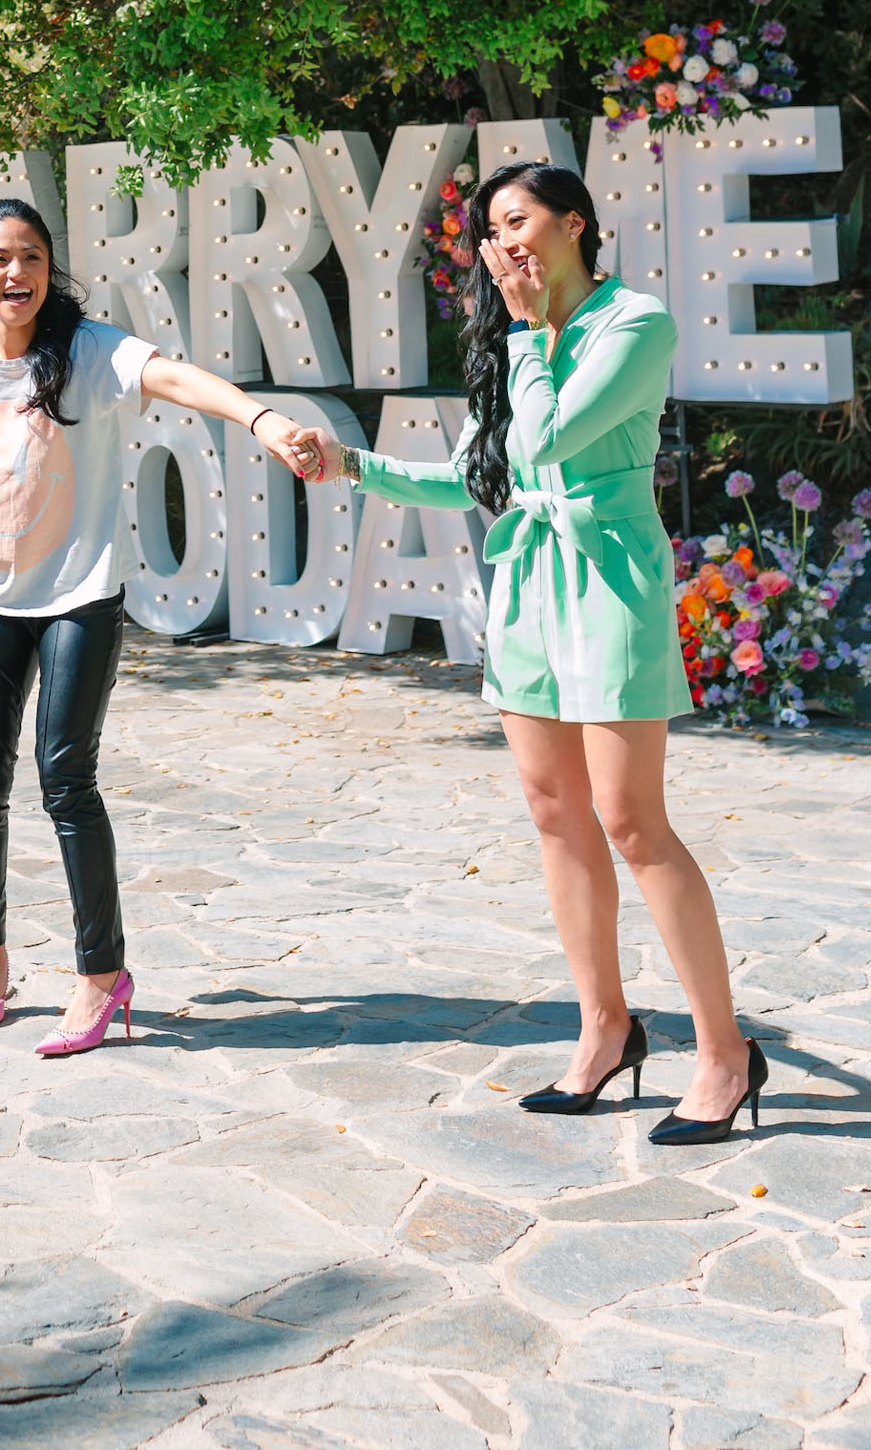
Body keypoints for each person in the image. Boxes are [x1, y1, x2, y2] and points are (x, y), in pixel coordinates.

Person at [290, 160, 764, 1143]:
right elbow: (481, 477)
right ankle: (605, 1030)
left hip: (612, 575)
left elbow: (549, 440)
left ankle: (724, 1053)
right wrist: (352, 464)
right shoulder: (517, 344)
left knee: (632, 820)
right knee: (555, 813)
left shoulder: (633, 324)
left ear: (573, 223)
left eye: (517, 220)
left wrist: (527, 333)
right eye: (491, 230)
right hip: (530, 582)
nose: (502, 243)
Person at [0, 194, 311, 1058]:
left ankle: (101, 973)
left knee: (66, 778)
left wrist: (261, 417)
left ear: (48, 268)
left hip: (81, 594)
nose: (17, 272)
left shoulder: (89, 351)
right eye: (0, 258)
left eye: (31, 256)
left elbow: (175, 377)